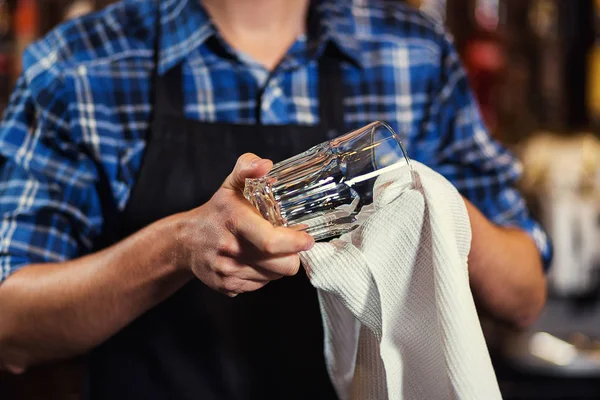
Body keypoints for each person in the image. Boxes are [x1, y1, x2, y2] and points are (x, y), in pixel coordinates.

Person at [0, 0, 551, 399]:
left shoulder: (416, 54)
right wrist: (180, 246)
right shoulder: (79, 65)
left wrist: (424, 196)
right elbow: (12, 325)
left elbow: (524, 296)